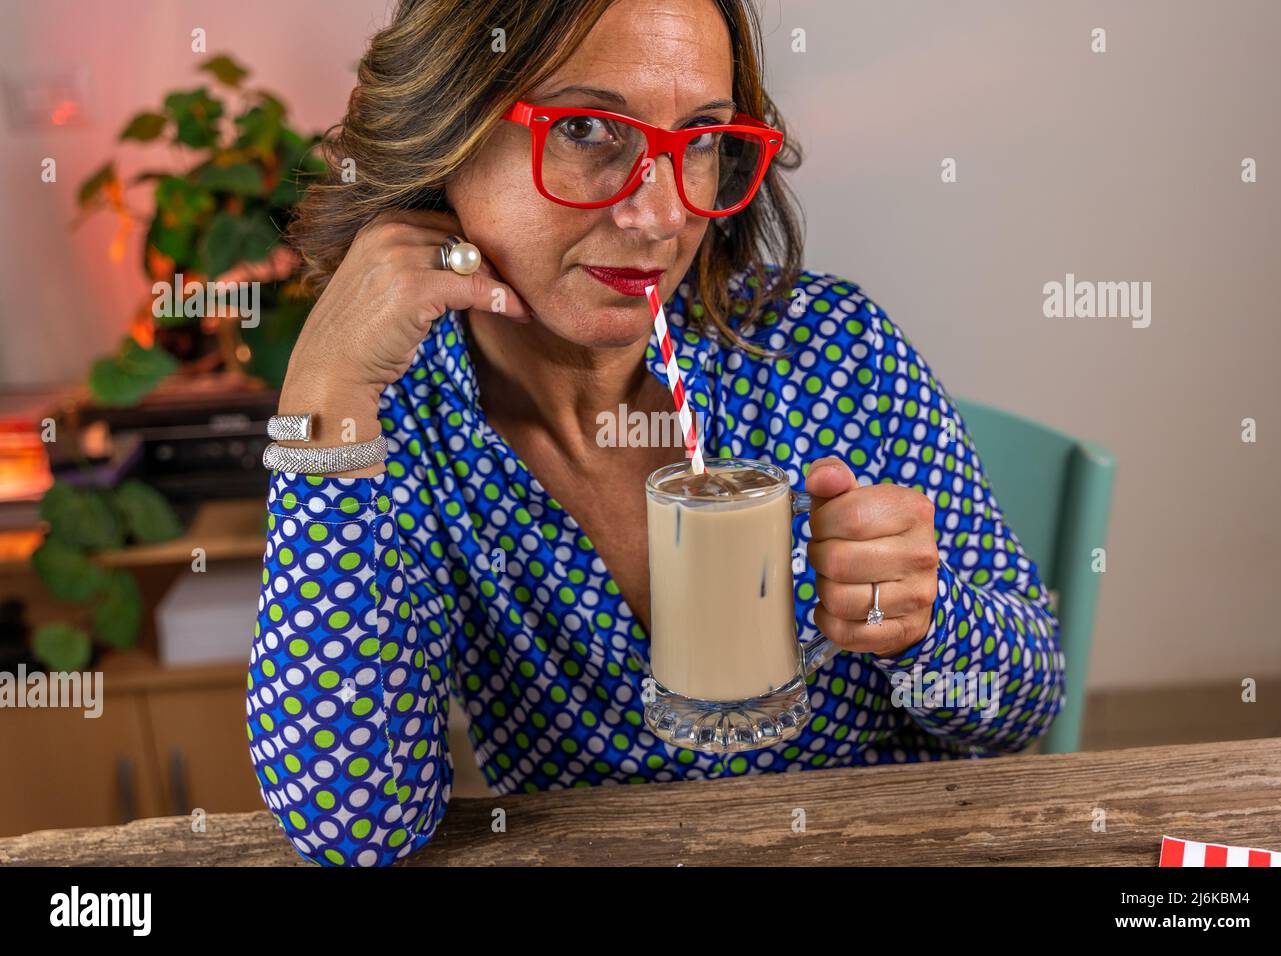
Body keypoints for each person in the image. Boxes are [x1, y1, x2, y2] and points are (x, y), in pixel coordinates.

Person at [246, 0, 1065, 867]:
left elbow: (1024, 707)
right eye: (590, 129)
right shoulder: (395, 425)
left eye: (702, 140)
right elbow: (352, 829)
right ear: (446, 131)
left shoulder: (829, 350)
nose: (661, 215)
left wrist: (924, 622)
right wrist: (323, 392)